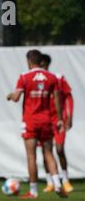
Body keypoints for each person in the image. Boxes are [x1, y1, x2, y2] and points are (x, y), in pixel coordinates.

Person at [6, 50, 66, 199]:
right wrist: (59, 119)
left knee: (31, 156)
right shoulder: (51, 77)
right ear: (41, 61)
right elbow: (57, 99)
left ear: (29, 61)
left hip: (30, 121)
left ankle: (33, 191)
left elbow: (16, 97)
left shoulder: (25, 77)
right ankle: (58, 184)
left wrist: (10, 95)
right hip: (46, 120)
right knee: (49, 153)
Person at [39, 54, 74, 193]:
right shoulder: (35, 81)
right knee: (45, 151)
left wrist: (69, 116)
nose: (42, 68)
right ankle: (50, 182)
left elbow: (68, 97)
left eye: (44, 65)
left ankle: (65, 180)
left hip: (58, 119)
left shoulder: (58, 78)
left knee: (59, 149)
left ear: (48, 64)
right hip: (44, 120)